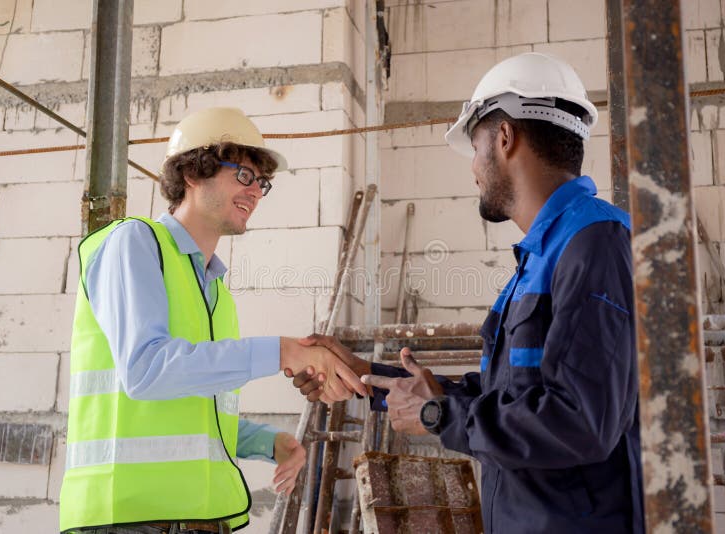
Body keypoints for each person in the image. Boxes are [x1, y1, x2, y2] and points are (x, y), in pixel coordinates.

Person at [289, 53, 643, 533]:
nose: (473, 169)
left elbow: (582, 422)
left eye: (475, 148)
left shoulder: (595, 242)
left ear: (504, 137)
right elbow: (510, 397)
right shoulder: (545, 253)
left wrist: (437, 414)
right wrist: (367, 376)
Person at [59, 107, 366, 534]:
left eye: (262, 182)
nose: (256, 191)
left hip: (198, 520)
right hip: (126, 519)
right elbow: (146, 372)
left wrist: (266, 441)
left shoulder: (216, 291)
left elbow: (190, 414)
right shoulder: (135, 242)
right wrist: (283, 350)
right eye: (243, 174)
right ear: (192, 172)